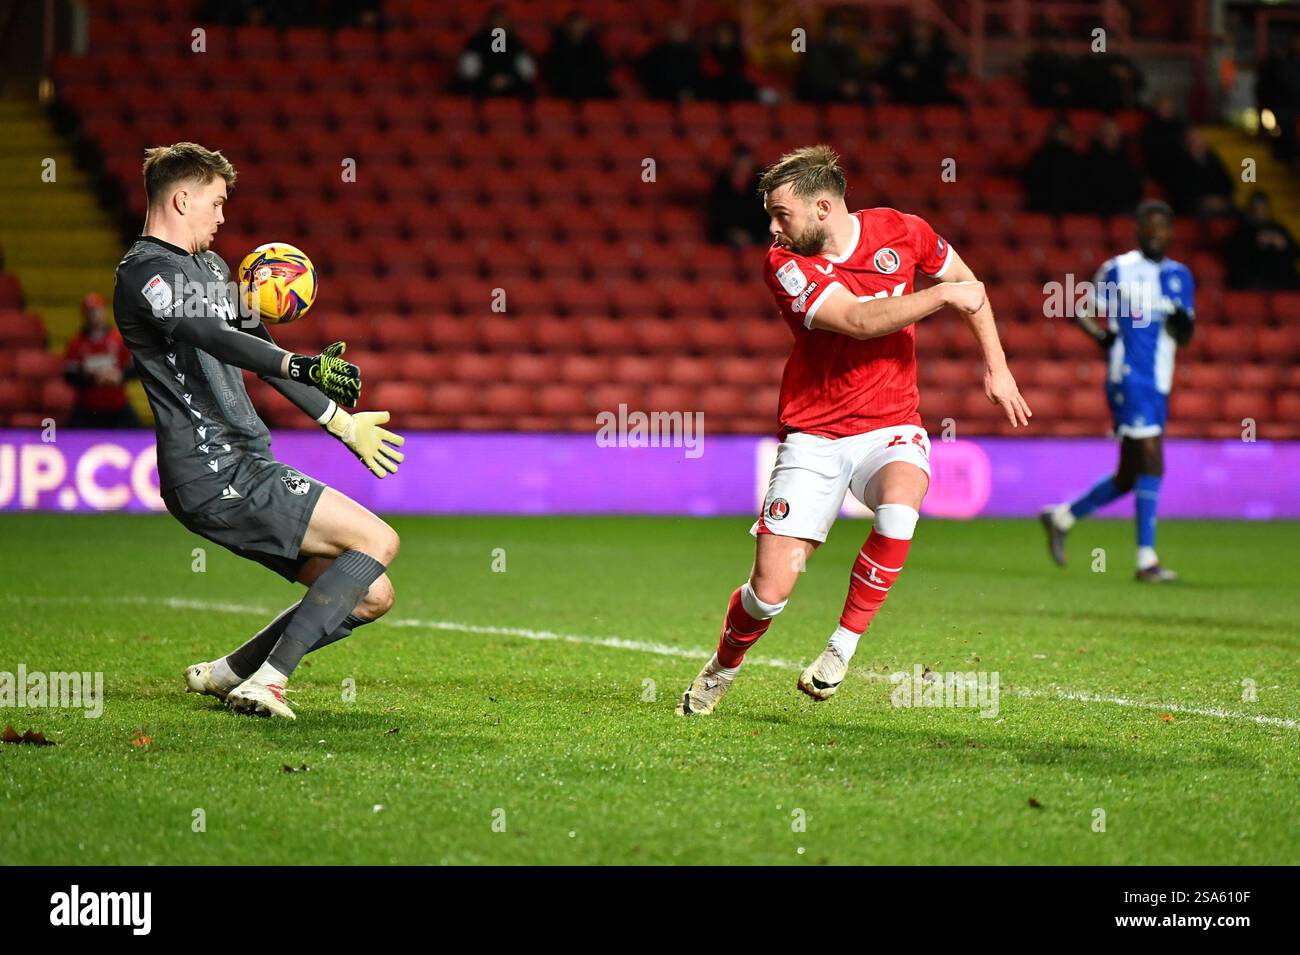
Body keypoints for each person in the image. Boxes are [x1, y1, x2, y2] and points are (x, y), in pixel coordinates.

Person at [676, 145, 1031, 716]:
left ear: (822, 207)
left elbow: (971, 287)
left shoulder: (904, 232)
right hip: (814, 434)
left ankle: (841, 648)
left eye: (780, 214)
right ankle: (722, 668)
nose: (772, 227)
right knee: (769, 595)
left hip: (890, 424)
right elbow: (863, 322)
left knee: (901, 505)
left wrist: (997, 365)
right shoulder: (784, 262)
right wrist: (938, 293)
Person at [112, 142, 407, 719]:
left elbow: (259, 349)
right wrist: (299, 365)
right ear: (181, 198)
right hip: (211, 467)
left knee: (370, 592)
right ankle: (268, 682)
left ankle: (229, 674)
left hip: (244, 461)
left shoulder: (214, 269)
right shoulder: (144, 274)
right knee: (379, 541)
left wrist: (341, 422)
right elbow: (209, 334)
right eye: (216, 203)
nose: (223, 217)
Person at [1041, 200, 1194, 582]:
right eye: (1150, 226)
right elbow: (1079, 310)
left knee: (1130, 474)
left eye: (1163, 227)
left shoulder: (1180, 276)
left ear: (1171, 233)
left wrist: (1179, 323)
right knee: (1153, 460)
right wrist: (1105, 338)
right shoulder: (1118, 269)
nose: (1157, 233)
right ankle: (1146, 560)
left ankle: (1062, 516)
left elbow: (1185, 335)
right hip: (1129, 378)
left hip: (1159, 379)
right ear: (1139, 230)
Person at [62, 292, 139, 428]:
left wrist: (120, 376)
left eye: (96, 311)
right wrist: (93, 379)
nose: (93, 316)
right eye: (89, 312)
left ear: (103, 311)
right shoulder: (76, 343)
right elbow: (69, 375)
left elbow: (136, 368)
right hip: (87, 408)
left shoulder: (118, 339)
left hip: (117, 407)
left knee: (137, 431)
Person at [455, 5, 537, 98]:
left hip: (512, 87)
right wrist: (488, 80)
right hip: (482, 86)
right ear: (489, 21)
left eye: (503, 20)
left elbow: (528, 71)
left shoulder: (517, 43)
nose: (499, 23)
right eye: (497, 20)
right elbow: (468, 70)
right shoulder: (477, 42)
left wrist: (509, 80)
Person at [1224, 191, 1300, 290]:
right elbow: (1235, 259)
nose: (1260, 213)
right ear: (1250, 210)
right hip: (1254, 279)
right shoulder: (1241, 231)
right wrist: (1255, 244)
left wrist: (1283, 245)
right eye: (1256, 209)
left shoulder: (1278, 229)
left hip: (1281, 278)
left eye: (1263, 209)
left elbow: (1294, 254)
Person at [797, 11, 872, 104]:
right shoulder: (815, 49)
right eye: (831, 29)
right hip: (825, 88)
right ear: (825, 30)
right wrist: (839, 85)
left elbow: (858, 70)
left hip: (844, 88)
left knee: (866, 94)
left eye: (837, 29)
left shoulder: (848, 49)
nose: (834, 32)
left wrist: (855, 83)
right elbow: (815, 75)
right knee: (821, 92)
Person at [707, 144, 769, 246]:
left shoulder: (761, 181)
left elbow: (766, 209)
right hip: (727, 232)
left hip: (758, 231)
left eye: (747, 161)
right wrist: (733, 231)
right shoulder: (721, 182)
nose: (744, 165)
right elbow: (717, 211)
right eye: (741, 161)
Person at [542, 11, 613, 100]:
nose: (580, 28)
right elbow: (552, 71)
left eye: (582, 25)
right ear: (568, 26)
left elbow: (601, 69)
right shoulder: (557, 47)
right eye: (577, 25)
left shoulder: (594, 48)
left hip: (591, 88)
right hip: (564, 89)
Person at [1166, 128, 1234, 218]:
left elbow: (1228, 182)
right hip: (1193, 205)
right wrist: (1205, 201)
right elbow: (1182, 190)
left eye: (1199, 140)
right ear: (1186, 144)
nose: (1197, 144)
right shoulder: (1179, 164)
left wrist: (1220, 199)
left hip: (1219, 201)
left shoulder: (1213, 160)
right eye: (1193, 141)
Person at [1084, 118, 1142, 217]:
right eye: (1108, 134)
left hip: (1125, 208)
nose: (1113, 137)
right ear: (1100, 136)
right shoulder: (1090, 160)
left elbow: (1134, 188)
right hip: (1098, 209)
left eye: (1115, 134)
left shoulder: (1126, 160)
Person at [1025, 120, 1085, 214]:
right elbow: (1032, 182)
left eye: (1066, 133)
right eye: (1060, 132)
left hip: (1071, 209)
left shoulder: (1077, 160)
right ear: (1052, 134)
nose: (1063, 136)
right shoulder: (1041, 158)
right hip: (1043, 208)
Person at [638, 20, 703, 102]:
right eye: (677, 31)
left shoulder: (693, 53)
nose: (680, 34)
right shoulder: (657, 52)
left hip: (689, 94)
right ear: (669, 32)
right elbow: (649, 74)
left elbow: (698, 76)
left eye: (682, 31)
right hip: (662, 95)